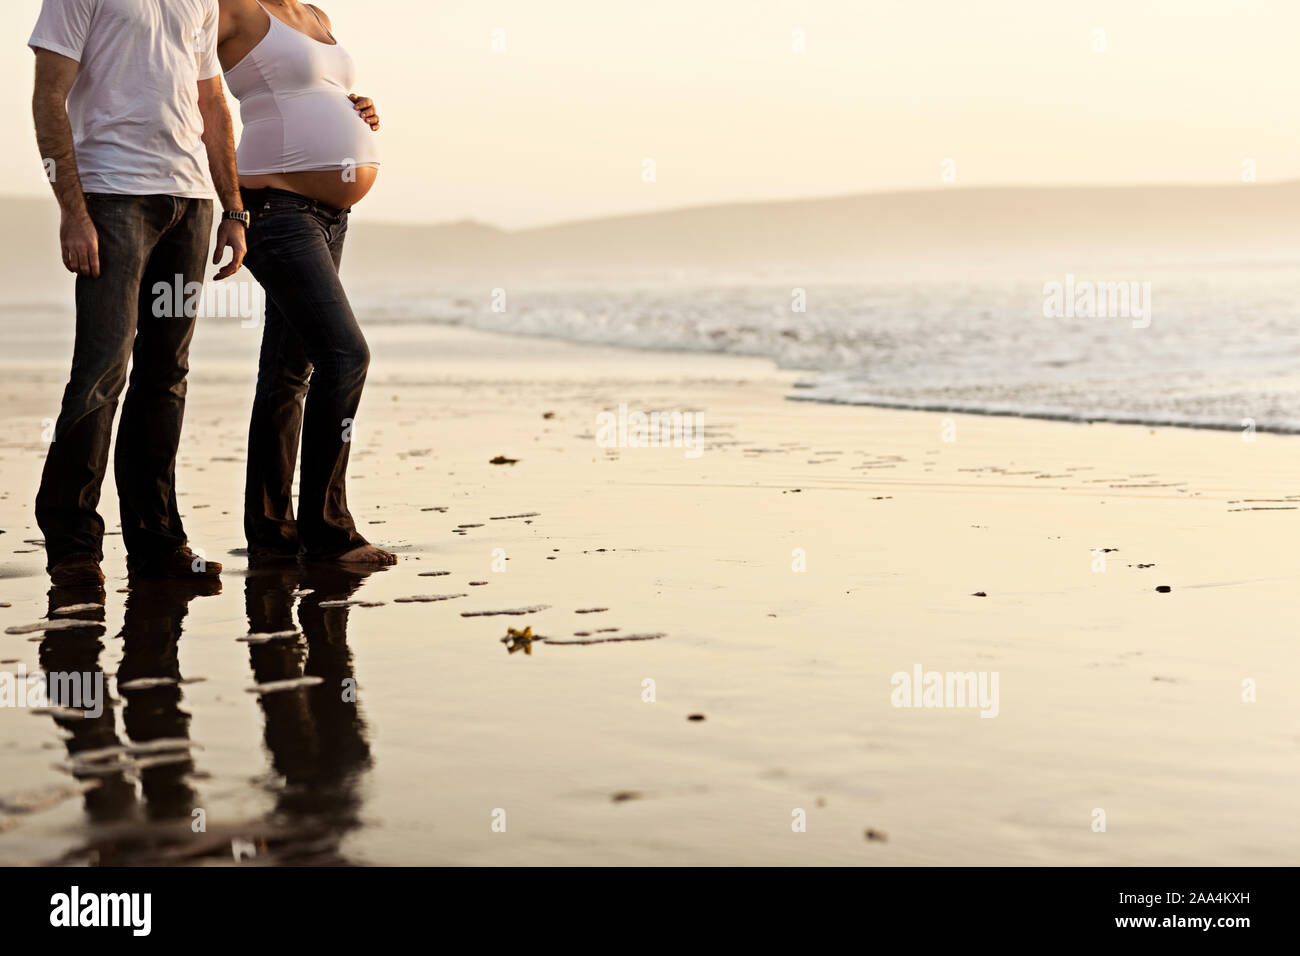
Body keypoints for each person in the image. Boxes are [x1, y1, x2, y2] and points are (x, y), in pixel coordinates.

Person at [30, 0, 249, 587]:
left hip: (192, 202)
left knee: (166, 374)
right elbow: (49, 95)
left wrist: (233, 209)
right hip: (112, 195)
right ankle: (73, 545)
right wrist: (72, 212)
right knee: (103, 369)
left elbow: (211, 102)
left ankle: (158, 544)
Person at [217, 0, 395, 565]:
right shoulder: (233, 8)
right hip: (274, 209)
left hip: (330, 215)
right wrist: (228, 206)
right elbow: (189, 88)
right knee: (345, 356)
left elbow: (311, 89)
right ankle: (328, 530)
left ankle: (271, 532)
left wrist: (353, 109)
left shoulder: (315, 14)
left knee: (288, 371)